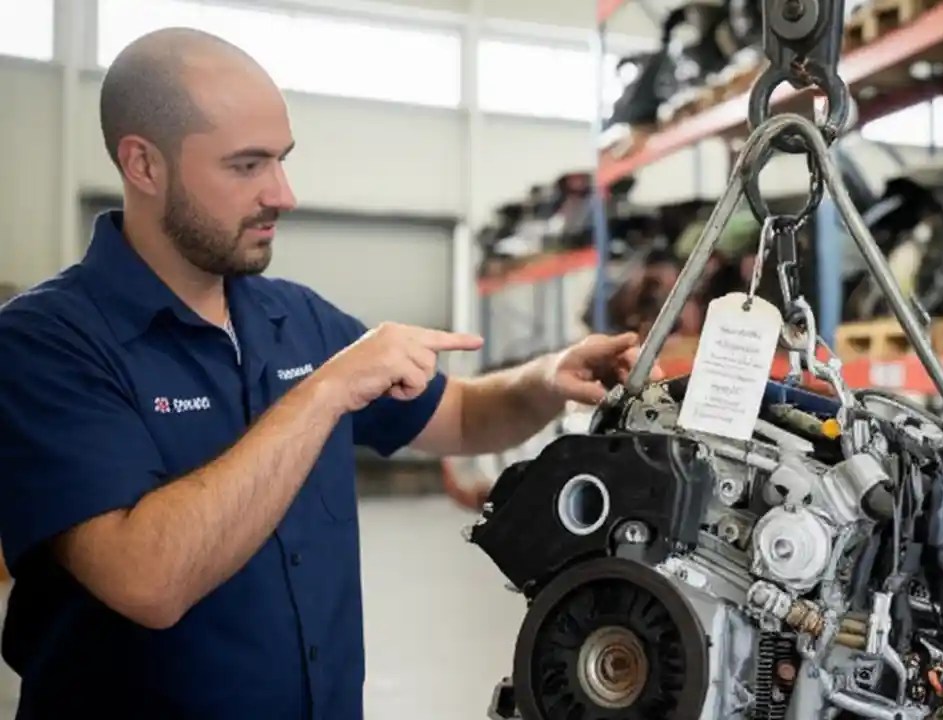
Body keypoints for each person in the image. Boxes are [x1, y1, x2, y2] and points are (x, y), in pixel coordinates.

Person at [0, 27, 656, 718]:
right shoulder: (47, 344)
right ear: (144, 165)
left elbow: (458, 414)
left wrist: (545, 380)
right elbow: (149, 580)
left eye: (281, 160)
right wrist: (326, 391)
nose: (282, 193)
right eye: (246, 166)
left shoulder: (295, 319)